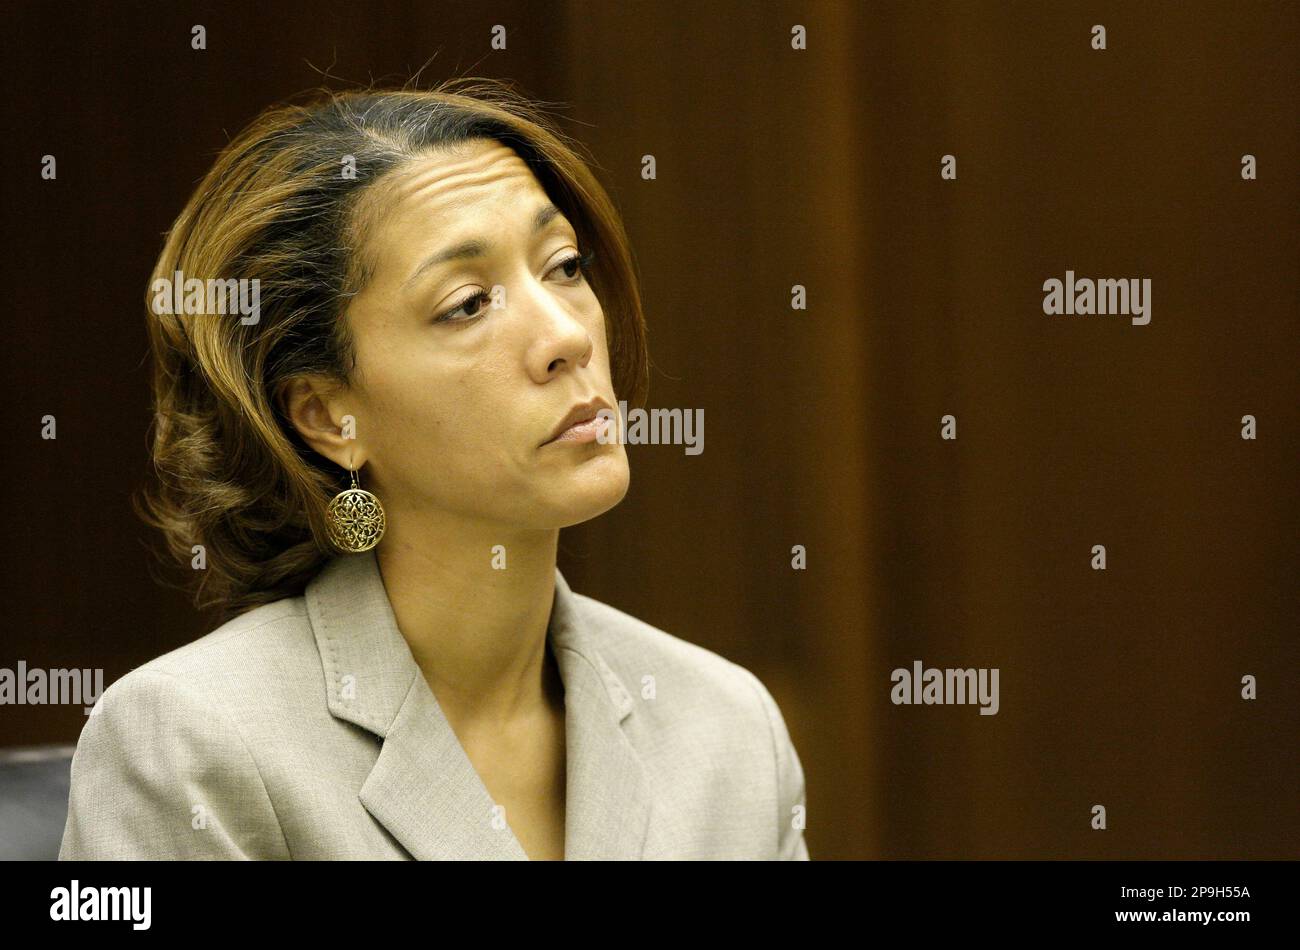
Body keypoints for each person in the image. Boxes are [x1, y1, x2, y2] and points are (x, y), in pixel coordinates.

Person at [58, 79, 809, 860]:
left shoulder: (726, 732)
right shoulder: (191, 744)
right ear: (325, 416)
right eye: (467, 304)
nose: (567, 336)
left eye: (562, 266)